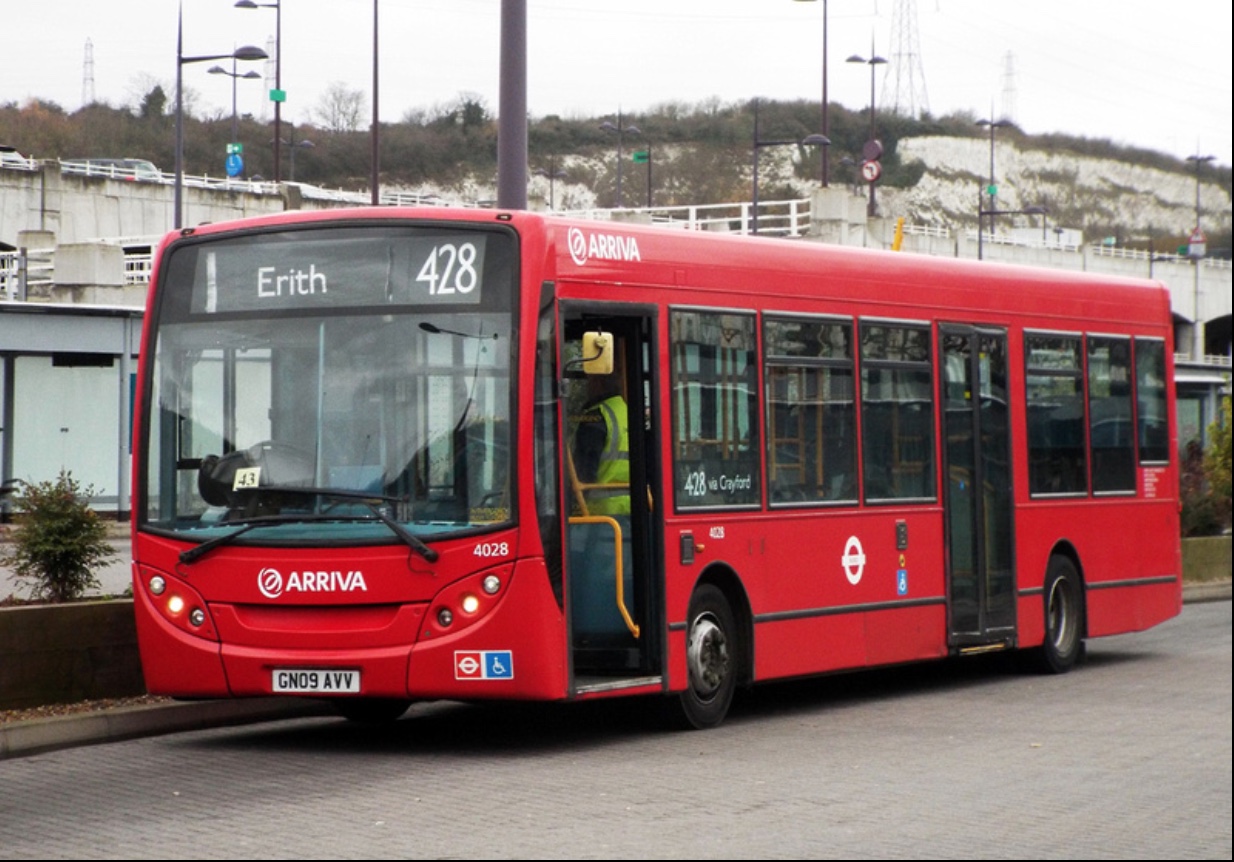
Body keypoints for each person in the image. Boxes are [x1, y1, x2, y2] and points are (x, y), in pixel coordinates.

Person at [572, 362, 630, 516]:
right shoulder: (627, 412)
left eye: (589, 381)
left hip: (600, 514)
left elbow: (583, 471)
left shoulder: (597, 417)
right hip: (633, 507)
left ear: (597, 383)